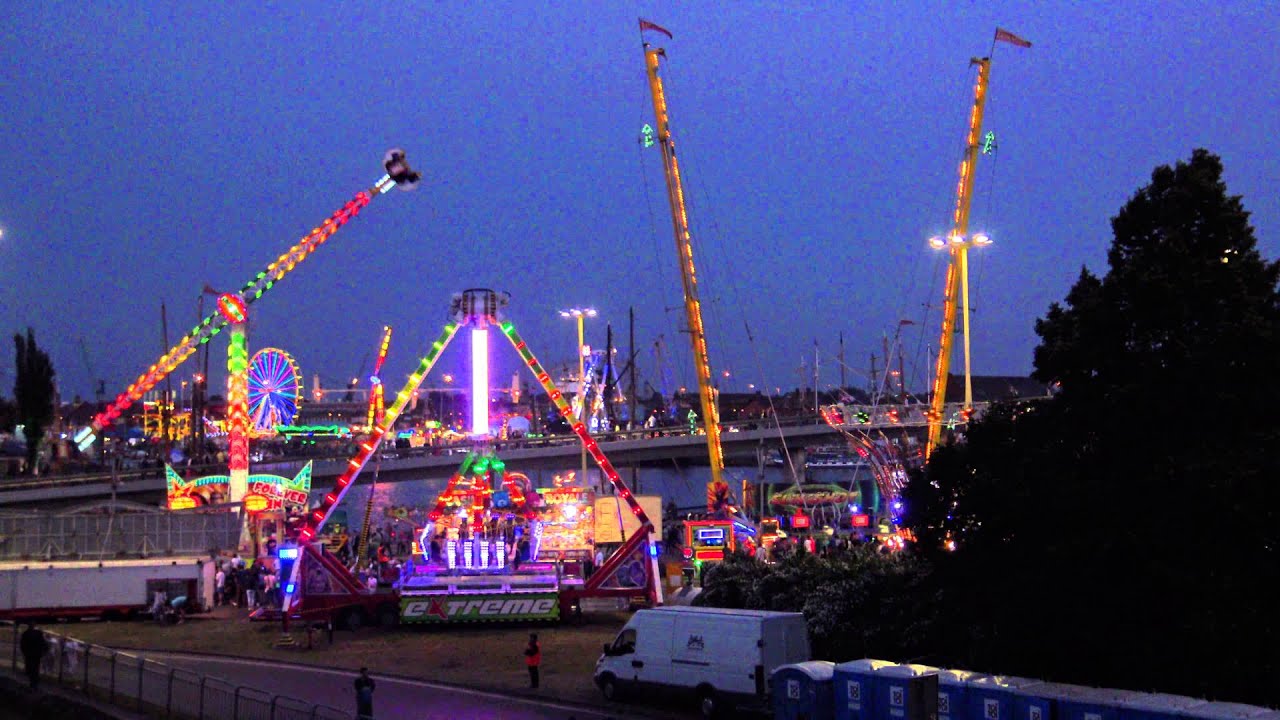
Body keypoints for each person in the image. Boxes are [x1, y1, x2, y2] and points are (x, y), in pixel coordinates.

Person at [19, 623, 46, 689]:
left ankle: (33, 682)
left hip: (30, 654)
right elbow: (43, 643)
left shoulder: (26, 634)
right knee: (35, 668)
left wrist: (25, 652)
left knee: (31, 668)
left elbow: (22, 645)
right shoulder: (38, 633)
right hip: (36, 654)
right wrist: (42, 652)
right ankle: (34, 683)